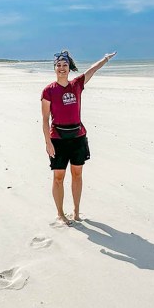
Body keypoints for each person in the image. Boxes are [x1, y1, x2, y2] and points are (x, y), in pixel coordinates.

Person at [41, 49, 117, 224]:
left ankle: (76, 212)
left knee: (77, 175)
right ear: (54, 68)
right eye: (58, 65)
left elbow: (92, 69)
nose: (62, 68)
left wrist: (105, 58)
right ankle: (60, 213)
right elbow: (45, 119)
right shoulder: (48, 91)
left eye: (65, 65)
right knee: (58, 177)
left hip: (78, 138)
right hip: (58, 139)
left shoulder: (76, 85)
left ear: (69, 68)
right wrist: (47, 142)